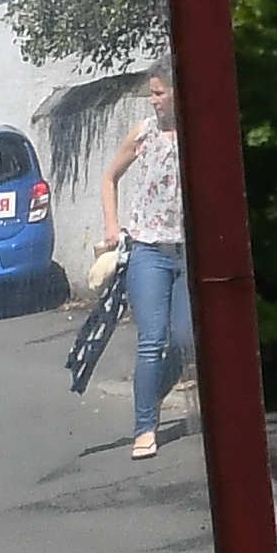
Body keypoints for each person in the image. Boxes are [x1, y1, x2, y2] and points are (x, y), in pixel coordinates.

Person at [98, 65, 191, 459]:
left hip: (188, 250)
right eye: (151, 94)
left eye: (159, 93)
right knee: (152, 338)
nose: (154, 101)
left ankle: (150, 396)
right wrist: (113, 227)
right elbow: (109, 178)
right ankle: (143, 427)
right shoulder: (143, 133)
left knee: (187, 339)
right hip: (148, 250)